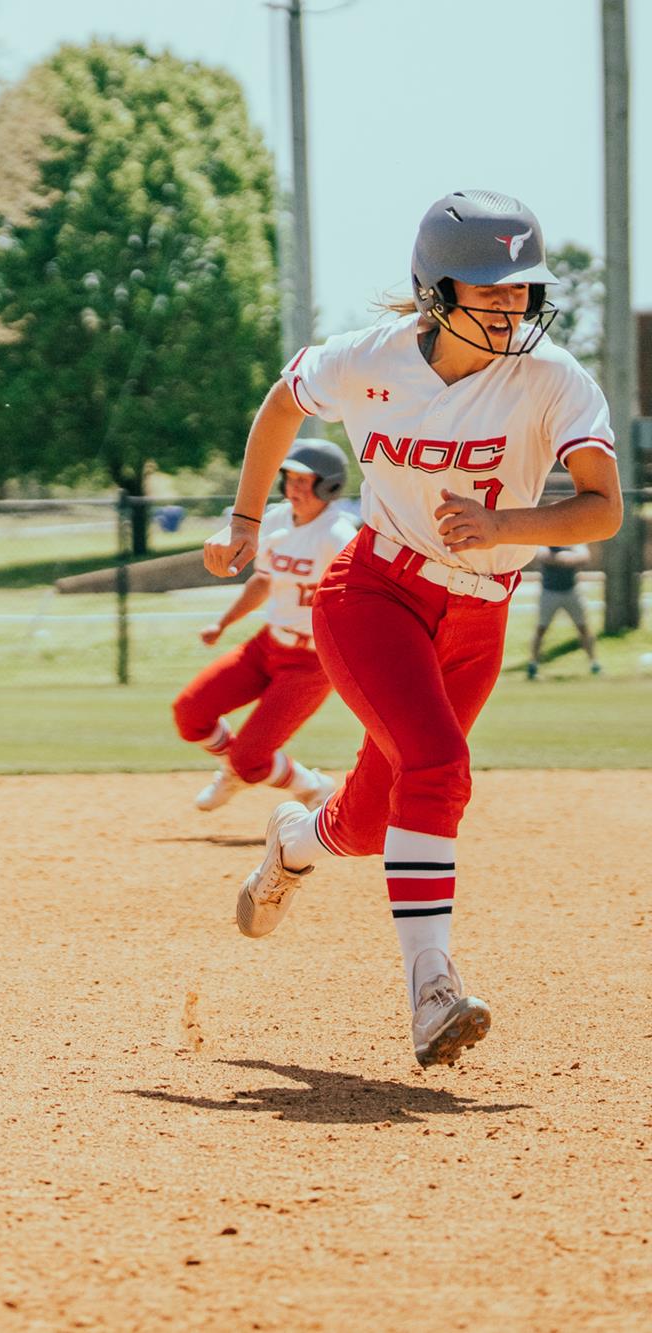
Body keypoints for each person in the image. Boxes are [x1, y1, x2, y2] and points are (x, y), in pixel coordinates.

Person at [204, 190, 621, 1067]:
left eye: (523, 289)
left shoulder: (555, 380)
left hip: (481, 613)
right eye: (490, 287)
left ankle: (293, 838)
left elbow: (602, 510)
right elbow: (282, 405)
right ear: (435, 288)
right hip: (372, 592)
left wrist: (508, 526)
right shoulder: (369, 359)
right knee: (438, 766)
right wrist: (246, 518)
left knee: (369, 816)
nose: (512, 304)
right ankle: (432, 990)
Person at [173, 440, 358, 814]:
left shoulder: (337, 535)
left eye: (306, 481)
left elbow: (356, 596)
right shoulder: (276, 519)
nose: (294, 488)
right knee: (190, 713)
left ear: (330, 485)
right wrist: (222, 623)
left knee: (250, 761)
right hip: (267, 646)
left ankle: (309, 786)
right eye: (290, 478)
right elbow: (262, 582)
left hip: (310, 663)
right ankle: (239, 767)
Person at [525, 544, 600, 679]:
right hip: (550, 592)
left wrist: (562, 558)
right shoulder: (546, 540)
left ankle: (594, 663)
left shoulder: (575, 540)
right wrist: (568, 558)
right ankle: (533, 665)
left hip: (571, 590)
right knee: (541, 629)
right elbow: (544, 556)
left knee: (583, 628)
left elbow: (584, 556)